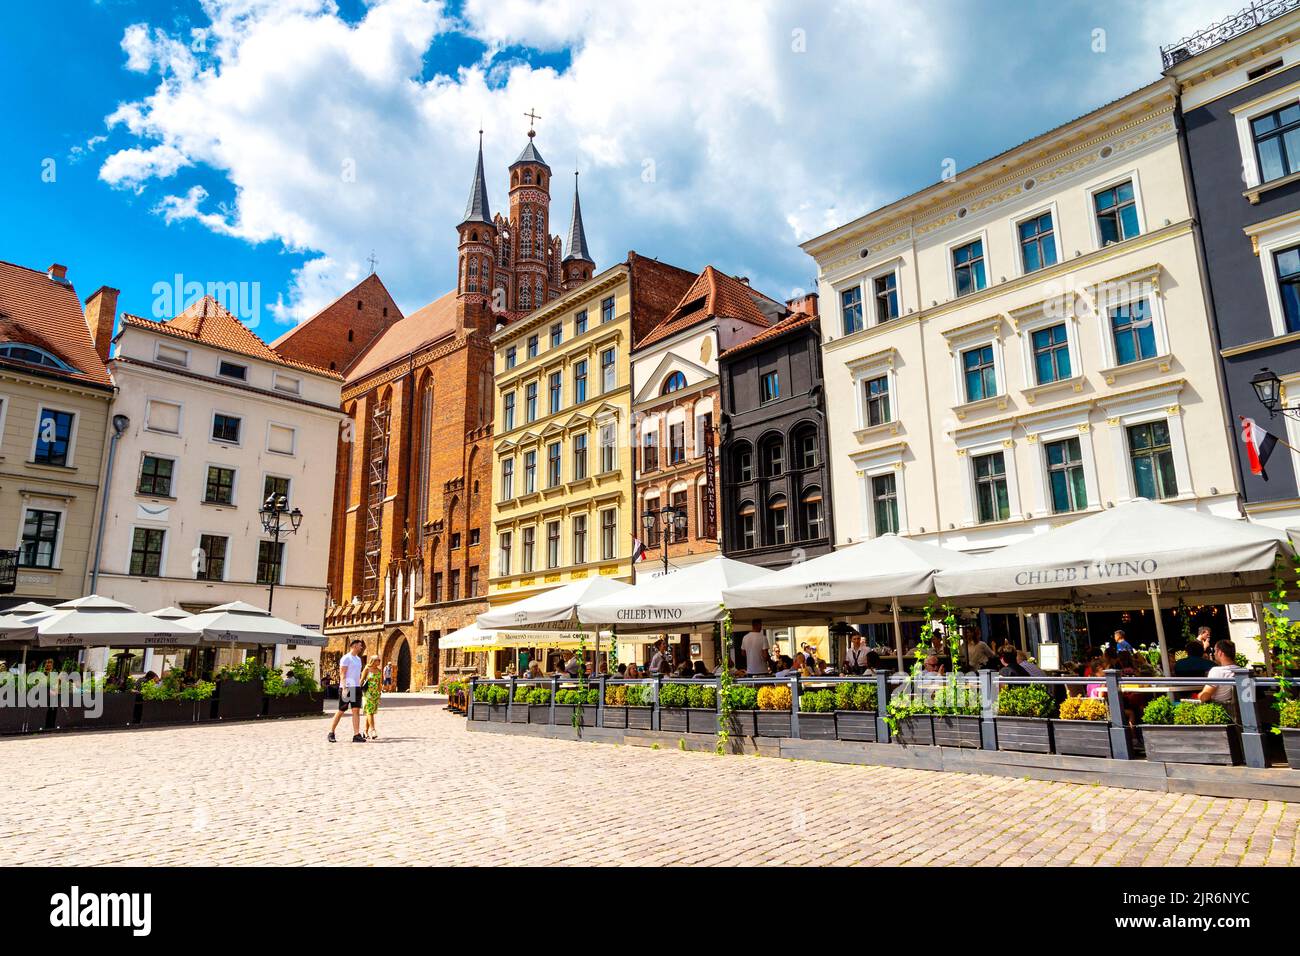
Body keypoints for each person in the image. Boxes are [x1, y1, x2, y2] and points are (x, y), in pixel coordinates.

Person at [328, 639, 366, 743]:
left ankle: (356, 734)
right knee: (341, 710)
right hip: (347, 687)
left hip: (356, 687)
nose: (361, 647)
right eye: (359, 645)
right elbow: (342, 673)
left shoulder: (358, 659)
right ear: (353, 646)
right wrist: (344, 687)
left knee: (356, 711)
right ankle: (331, 732)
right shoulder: (346, 658)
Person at [1197, 639, 1239, 706]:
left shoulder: (1216, 671)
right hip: (1239, 710)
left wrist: (1198, 695)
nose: (1214, 653)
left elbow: (1205, 697)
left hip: (1220, 710)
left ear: (1220, 652)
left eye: (1215, 651)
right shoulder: (1242, 671)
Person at [361, 657, 382, 740]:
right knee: (370, 711)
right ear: (373, 661)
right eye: (377, 660)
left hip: (375, 694)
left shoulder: (379, 671)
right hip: (367, 693)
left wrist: (379, 693)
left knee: (370, 713)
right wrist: (357, 691)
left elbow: (380, 683)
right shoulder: (367, 669)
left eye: (379, 660)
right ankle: (373, 730)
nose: (379, 661)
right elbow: (362, 680)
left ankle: (365, 731)